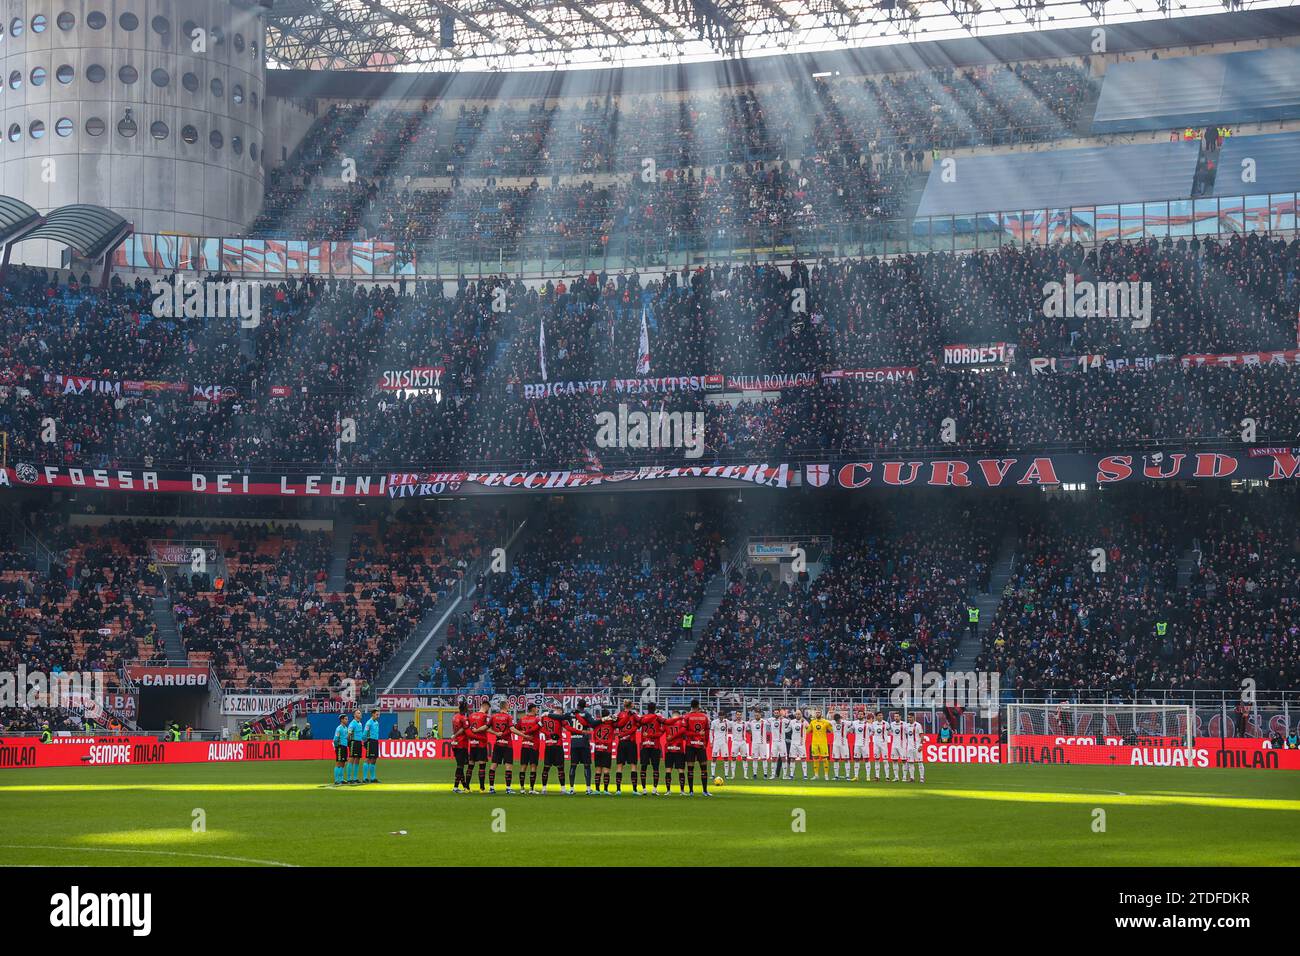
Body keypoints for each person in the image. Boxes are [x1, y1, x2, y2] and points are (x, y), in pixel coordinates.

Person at [681, 699, 712, 796]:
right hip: (700, 745)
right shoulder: (704, 717)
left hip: (690, 745)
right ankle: (705, 791)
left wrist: (693, 734)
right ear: (698, 706)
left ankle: (691, 791)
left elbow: (684, 732)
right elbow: (707, 732)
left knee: (690, 768)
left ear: (691, 706)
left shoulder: (687, 717)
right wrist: (705, 744)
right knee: (703, 768)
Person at [565, 699, 596, 794]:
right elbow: (592, 723)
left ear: (577, 705)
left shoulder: (570, 714)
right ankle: (588, 788)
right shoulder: (586, 714)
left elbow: (561, 718)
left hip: (574, 742)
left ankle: (571, 789)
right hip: (584, 742)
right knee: (587, 766)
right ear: (585, 706)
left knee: (573, 766)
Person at [638, 702, 667, 795]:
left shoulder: (643, 718)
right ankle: (654, 789)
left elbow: (637, 725)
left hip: (645, 745)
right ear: (655, 709)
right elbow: (665, 725)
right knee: (655, 768)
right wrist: (661, 731)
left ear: (647, 708)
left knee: (643, 767)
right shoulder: (658, 718)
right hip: (655, 745)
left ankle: (644, 789)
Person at [538, 706, 568, 794]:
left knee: (546, 768)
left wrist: (547, 733)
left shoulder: (544, 717)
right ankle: (562, 789)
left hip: (548, 745)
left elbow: (539, 727)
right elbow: (567, 726)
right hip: (557, 746)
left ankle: (544, 789)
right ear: (558, 711)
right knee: (560, 768)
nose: (561, 714)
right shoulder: (560, 719)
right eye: (561, 712)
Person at [488, 704, 516, 794]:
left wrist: (496, 733)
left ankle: (491, 788)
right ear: (505, 706)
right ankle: (508, 788)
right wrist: (523, 734)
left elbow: (487, 728)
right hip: (507, 745)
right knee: (508, 765)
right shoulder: (508, 717)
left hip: (498, 744)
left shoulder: (494, 716)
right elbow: (512, 729)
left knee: (493, 765)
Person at [614, 700, 641, 793]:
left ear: (624, 706)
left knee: (619, 766)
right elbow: (640, 723)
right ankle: (634, 790)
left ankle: (618, 790)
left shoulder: (619, 714)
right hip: (631, 742)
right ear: (631, 706)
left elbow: (615, 725)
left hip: (622, 742)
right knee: (633, 766)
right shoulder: (634, 715)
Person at [516, 704, 542, 793]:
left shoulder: (522, 719)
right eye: (536, 708)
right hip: (534, 745)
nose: (537, 709)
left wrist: (523, 733)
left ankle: (522, 789)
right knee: (533, 766)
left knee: (523, 766)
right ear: (533, 709)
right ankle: (531, 789)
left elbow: (516, 728)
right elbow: (539, 728)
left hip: (524, 745)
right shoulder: (537, 719)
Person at [467, 701, 491, 792]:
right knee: (482, 766)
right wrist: (496, 733)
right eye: (488, 708)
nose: (488, 710)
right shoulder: (485, 716)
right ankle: (482, 788)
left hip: (473, 743)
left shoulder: (471, 715)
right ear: (485, 706)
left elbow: (468, 728)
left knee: (470, 765)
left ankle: (467, 787)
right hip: (481, 743)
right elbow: (487, 727)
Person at [591, 709, 617, 794]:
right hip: (607, 749)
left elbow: (592, 723)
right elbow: (617, 721)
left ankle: (597, 790)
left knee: (598, 770)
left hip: (598, 748)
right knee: (606, 770)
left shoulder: (597, 724)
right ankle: (605, 790)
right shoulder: (611, 724)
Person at [663, 710, 687, 794]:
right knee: (681, 770)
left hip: (669, 749)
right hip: (678, 749)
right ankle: (682, 791)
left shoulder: (667, 723)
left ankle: (668, 790)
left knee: (668, 770)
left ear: (672, 715)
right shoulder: (681, 723)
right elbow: (684, 736)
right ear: (678, 715)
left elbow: (661, 731)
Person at [450, 700, 471, 793]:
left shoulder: (454, 717)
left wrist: (454, 735)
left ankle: (465, 786)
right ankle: (455, 787)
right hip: (461, 744)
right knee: (460, 766)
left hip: (455, 743)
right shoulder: (464, 718)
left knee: (460, 765)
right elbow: (465, 730)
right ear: (465, 708)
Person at [807, 709, 832, 780]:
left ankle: (826, 775)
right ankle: (816, 775)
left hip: (823, 743)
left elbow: (832, 730)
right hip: (814, 743)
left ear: (821, 714)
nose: (817, 714)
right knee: (815, 758)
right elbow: (807, 731)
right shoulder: (812, 722)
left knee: (824, 759)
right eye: (816, 713)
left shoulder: (826, 722)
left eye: (819, 712)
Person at [787, 708, 808, 779]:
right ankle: (791, 775)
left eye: (799, 714)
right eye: (796, 714)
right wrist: (781, 730)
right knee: (792, 759)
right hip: (793, 743)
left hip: (801, 743)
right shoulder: (792, 721)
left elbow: (809, 728)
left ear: (801, 715)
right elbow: (788, 730)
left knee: (803, 758)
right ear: (795, 715)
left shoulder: (804, 721)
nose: (797, 715)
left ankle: (805, 775)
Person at [363, 708, 382, 782]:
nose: (378, 716)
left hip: (375, 741)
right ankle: (365, 778)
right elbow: (365, 732)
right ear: (373, 714)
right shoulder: (369, 723)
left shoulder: (376, 722)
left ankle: (373, 778)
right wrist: (365, 740)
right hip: (370, 741)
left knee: (374, 759)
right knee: (368, 758)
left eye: (378, 715)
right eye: (377, 714)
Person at [347, 709, 365, 784]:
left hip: (359, 742)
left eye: (360, 713)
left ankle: (355, 778)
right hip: (353, 742)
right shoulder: (352, 723)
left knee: (357, 759)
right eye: (358, 713)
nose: (360, 714)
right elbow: (348, 734)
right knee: (351, 758)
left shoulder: (360, 723)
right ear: (354, 715)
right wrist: (349, 742)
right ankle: (349, 778)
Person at [331, 714, 350, 785]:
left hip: (345, 747)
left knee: (343, 763)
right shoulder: (339, 728)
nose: (347, 720)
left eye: (347, 719)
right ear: (341, 720)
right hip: (340, 747)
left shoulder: (345, 728)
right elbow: (335, 739)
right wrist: (336, 746)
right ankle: (336, 780)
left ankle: (341, 779)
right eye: (345, 719)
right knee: (338, 763)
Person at [831, 713, 850, 780]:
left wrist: (848, 730)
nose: (837, 721)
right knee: (836, 759)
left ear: (840, 718)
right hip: (835, 744)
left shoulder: (846, 722)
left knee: (846, 759)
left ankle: (847, 776)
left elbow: (853, 724)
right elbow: (825, 721)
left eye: (838, 720)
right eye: (836, 720)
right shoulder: (833, 722)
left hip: (844, 743)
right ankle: (836, 776)